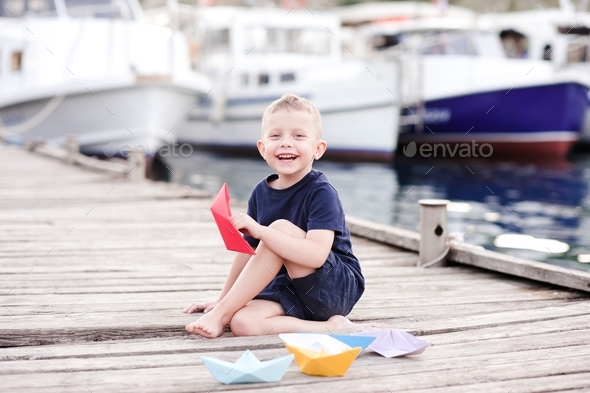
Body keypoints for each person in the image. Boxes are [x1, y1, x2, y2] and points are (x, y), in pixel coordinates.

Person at [183, 94, 366, 338]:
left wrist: (262, 232)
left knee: (279, 229)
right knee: (243, 324)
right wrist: (224, 298)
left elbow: (315, 255)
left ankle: (220, 316)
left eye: (298, 136)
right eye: (276, 135)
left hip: (331, 289)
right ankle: (331, 328)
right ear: (262, 148)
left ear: (318, 149)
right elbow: (247, 253)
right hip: (288, 289)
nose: (286, 143)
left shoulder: (321, 192)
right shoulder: (261, 191)